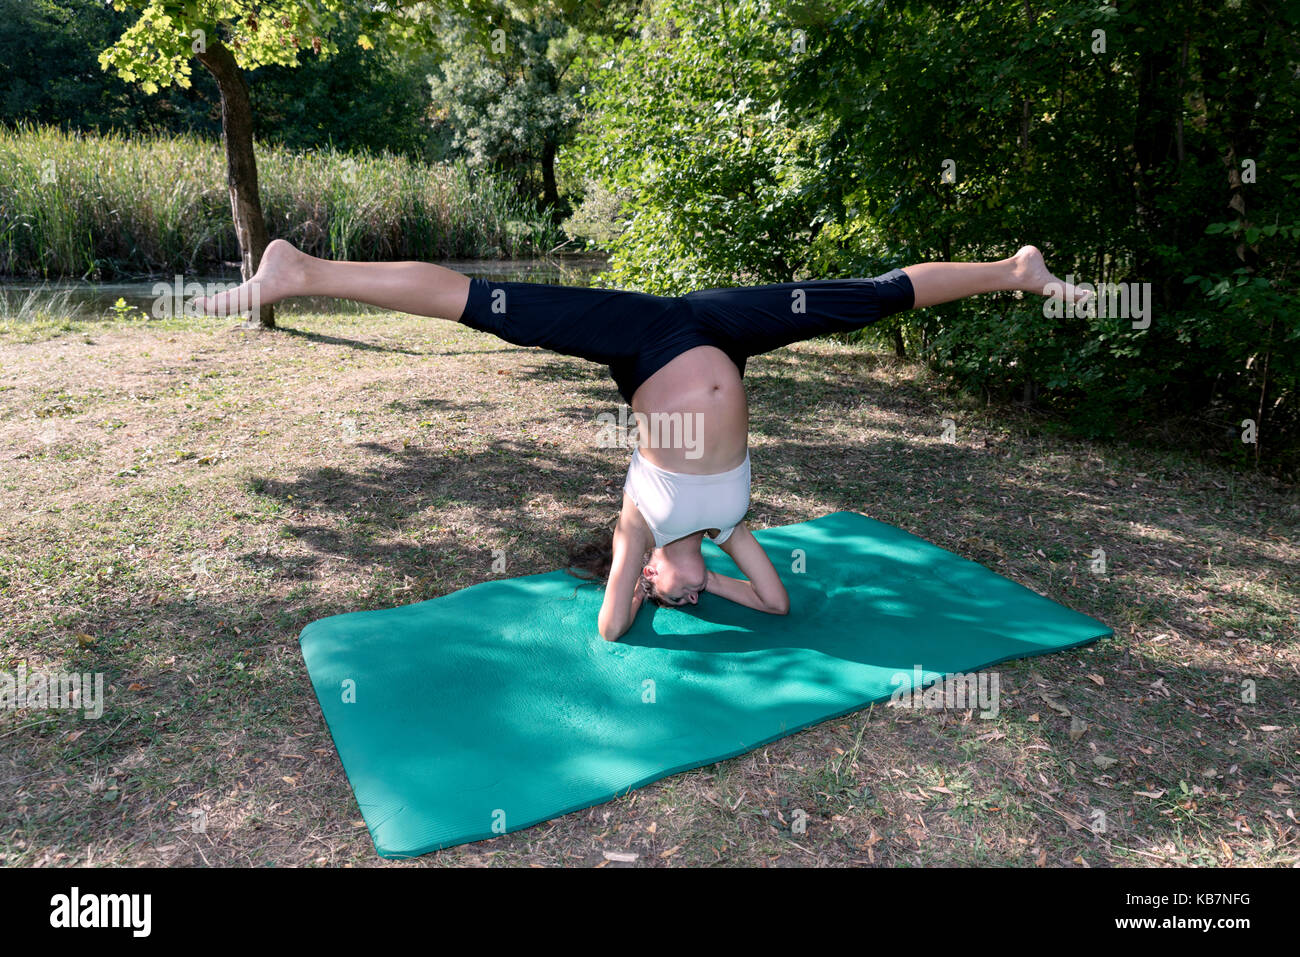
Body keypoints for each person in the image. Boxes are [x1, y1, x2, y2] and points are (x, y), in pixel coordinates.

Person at [197, 240, 1090, 640]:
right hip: (721, 330)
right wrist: (718, 585)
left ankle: (304, 272)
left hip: (640, 338)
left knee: (483, 302)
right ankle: (1015, 270)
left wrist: (646, 576)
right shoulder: (735, 528)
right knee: (872, 294)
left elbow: (614, 628)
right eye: (689, 602)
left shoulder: (641, 529)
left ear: (652, 574)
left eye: (676, 597)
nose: (689, 600)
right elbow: (778, 607)